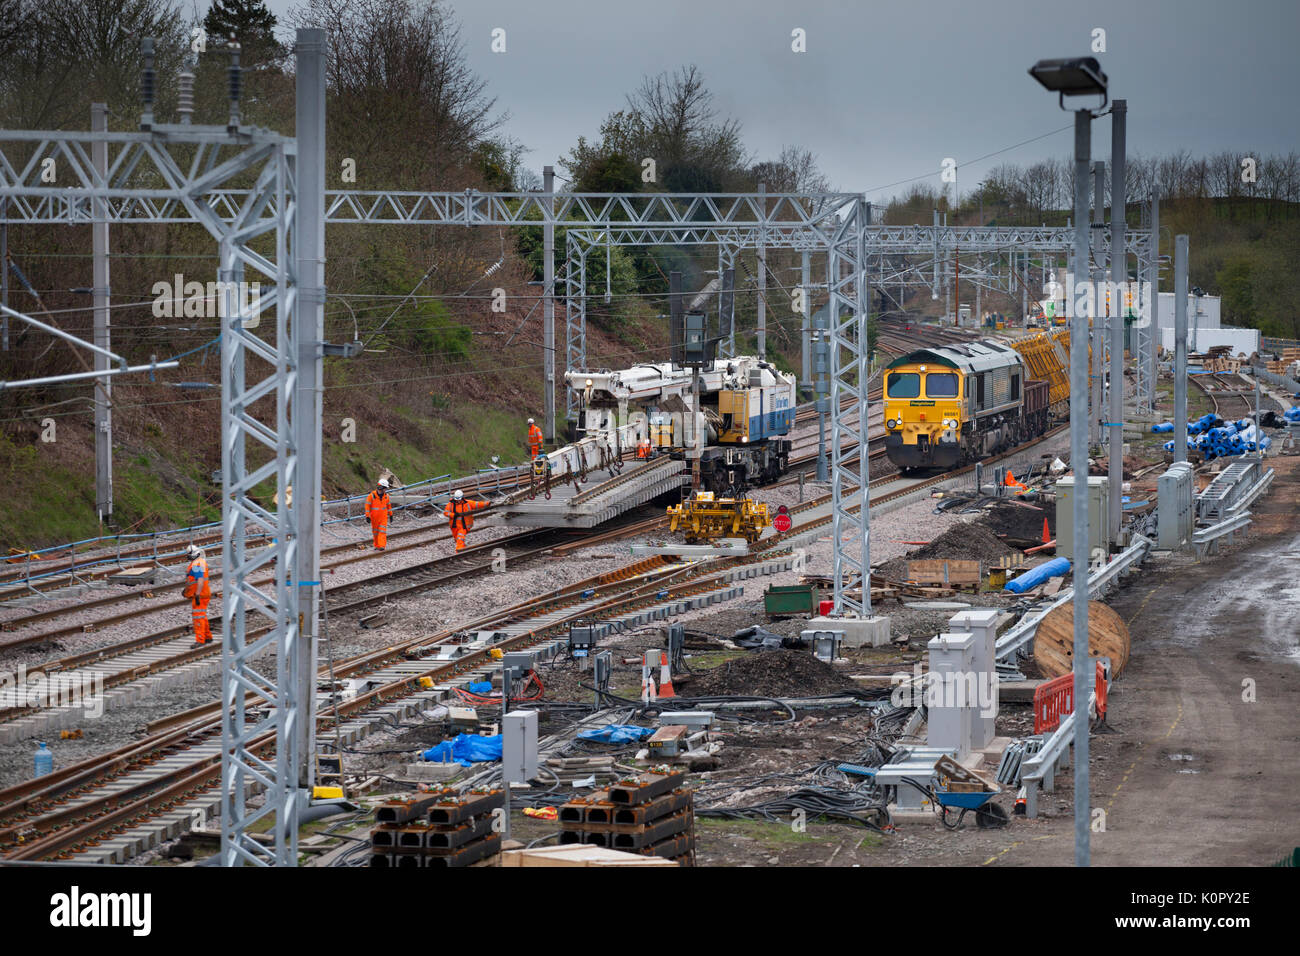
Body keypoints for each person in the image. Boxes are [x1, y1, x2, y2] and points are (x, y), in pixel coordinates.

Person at [183, 544, 212, 645]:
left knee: (198, 617)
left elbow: (200, 580)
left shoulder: (197, 564)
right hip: (202, 593)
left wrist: (197, 594)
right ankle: (208, 637)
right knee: (202, 616)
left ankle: (200, 640)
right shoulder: (199, 562)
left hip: (200, 595)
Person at [365, 478, 393, 549]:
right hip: (374, 518)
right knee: (375, 533)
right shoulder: (371, 496)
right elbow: (367, 506)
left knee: (382, 531)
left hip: (383, 517)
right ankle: (376, 545)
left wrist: (391, 515)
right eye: (385, 488)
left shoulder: (386, 496)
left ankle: (382, 546)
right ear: (382, 488)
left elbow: (389, 506)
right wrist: (367, 516)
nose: (386, 490)